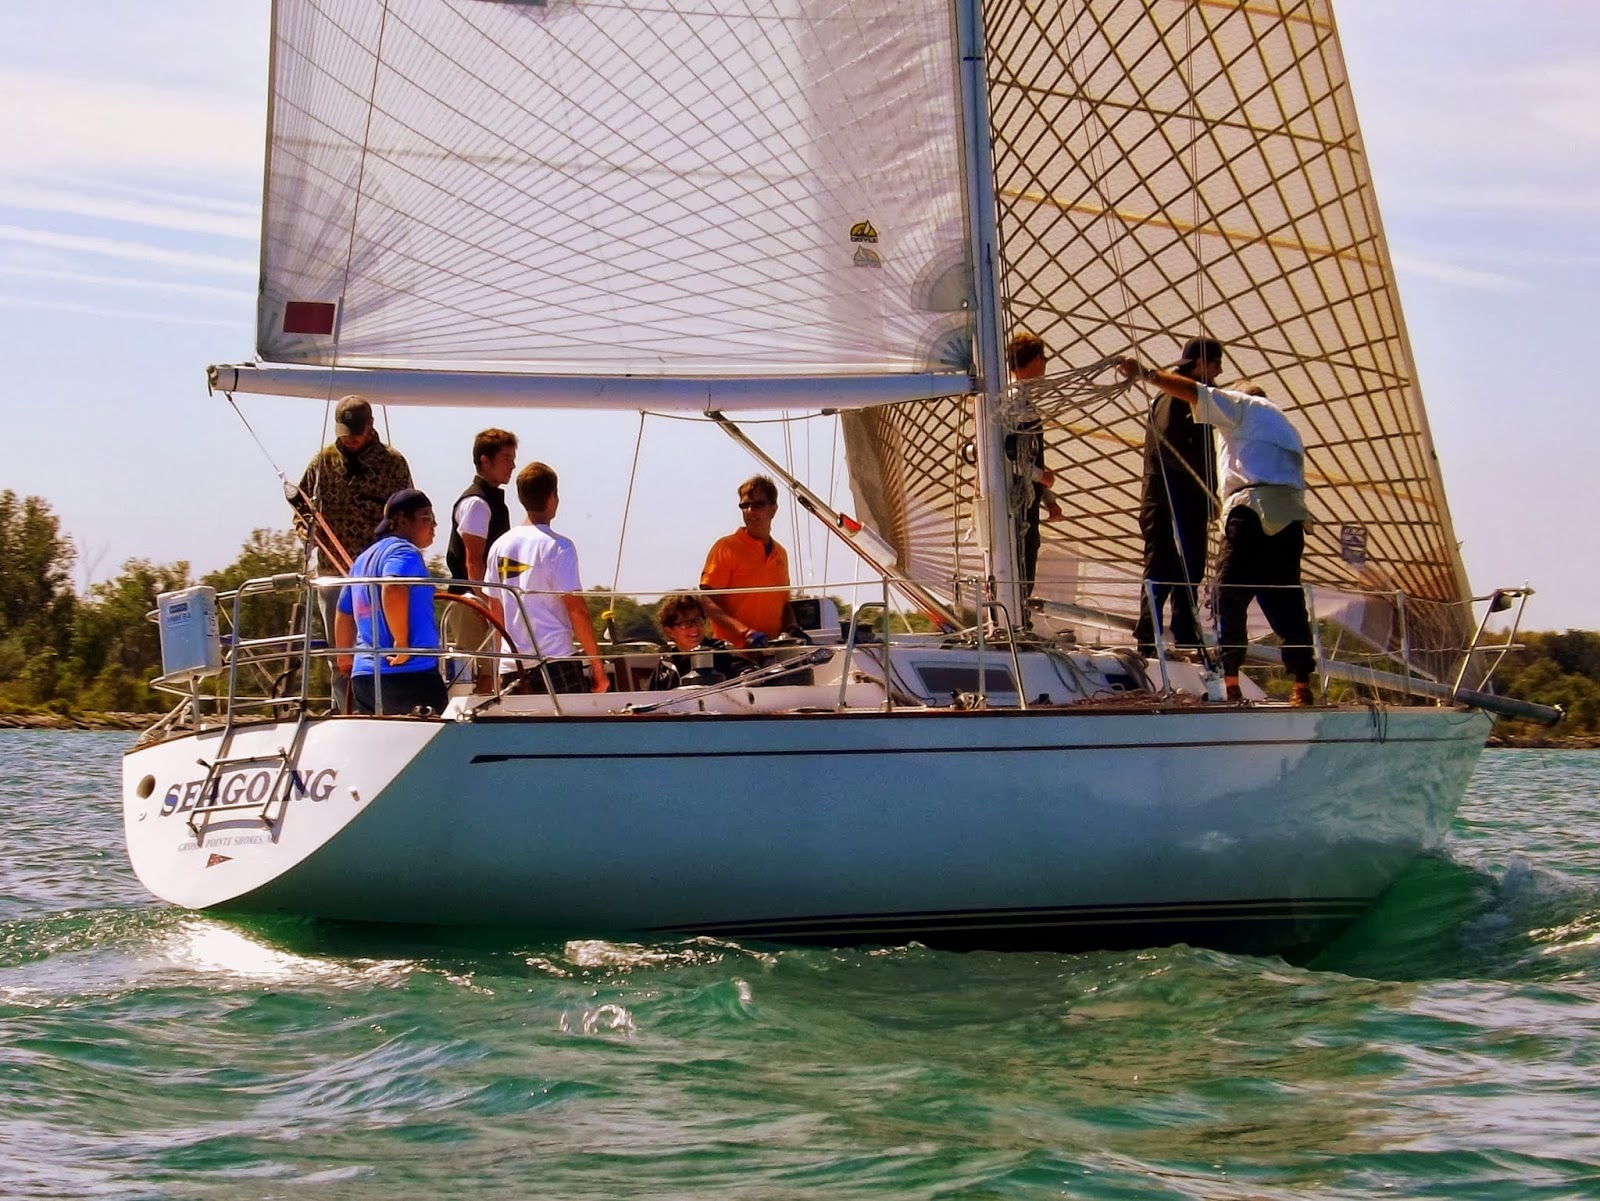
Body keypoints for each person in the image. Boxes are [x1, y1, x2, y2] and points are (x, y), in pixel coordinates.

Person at [1117, 358, 1316, 706]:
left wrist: (1146, 374)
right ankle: (1302, 686)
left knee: (1227, 596)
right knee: (1287, 602)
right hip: (1291, 520)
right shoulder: (1284, 423)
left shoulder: (1242, 405)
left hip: (1252, 512)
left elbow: (1194, 392)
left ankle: (1230, 683)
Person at [292, 394, 413, 711]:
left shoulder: (393, 464)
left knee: (384, 646)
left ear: (370, 426)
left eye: (357, 433)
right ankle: (346, 712)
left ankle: (387, 710)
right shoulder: (322, 462)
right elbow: (302, 510)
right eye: (345, 433)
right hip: (334, 576)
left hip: (377, 577)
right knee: (341, 657)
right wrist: (307, 531)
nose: (351, 440)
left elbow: (408, 514)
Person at [484, 462, 609, 695]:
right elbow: (576, 610)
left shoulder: (498, 547)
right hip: (556, 661)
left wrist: (497, 665)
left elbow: (495, 610)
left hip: (512, 665)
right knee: (569, 731)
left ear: (521, 498)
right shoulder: (560, 547)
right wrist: (597, 667)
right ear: (553, 497)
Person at [1133, 337, 1218, 657]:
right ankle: (1152, 636)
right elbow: (1173, 451)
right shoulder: (1183, 397)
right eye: (1215, 364)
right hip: (1174, 496)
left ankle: (1179, 634)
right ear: (1200, 365)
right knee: (1167, 566)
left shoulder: (1169, 396)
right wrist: (1207, 489)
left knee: (1182, 567)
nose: (1219, 371)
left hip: (1173, 496)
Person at [334, 488, 447, 716]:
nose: (434, 524)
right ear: (401, 521)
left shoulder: (362, 560)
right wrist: (402, 643)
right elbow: (393, 587)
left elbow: (344, 612)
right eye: (426, 517)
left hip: (364, 679)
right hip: (409, 674)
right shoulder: (404, 552)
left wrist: (345, 659)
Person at [441, 428, 518, 690]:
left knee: (492, 669)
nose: (513, 465)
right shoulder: (476, 503)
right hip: (472, 602)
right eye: (507, 459)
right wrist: (489, 605)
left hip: (480, 600)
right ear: (486, 460)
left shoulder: (490, 501)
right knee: (484, 672)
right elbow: (473, 562)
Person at [699, 475, 802, 649]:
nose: (749, 511)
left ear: (774, 509)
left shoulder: (781, 553)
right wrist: (745, 632)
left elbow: (784, 606)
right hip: (733, 653)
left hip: (773, 651)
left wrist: (793, 628)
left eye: (757, 505)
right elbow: (708, 601)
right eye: (744, 505)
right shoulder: (725, 547)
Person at [1005, 332, 1063, 596]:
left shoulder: (1019, 400)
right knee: (1021, 565)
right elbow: (1006, 456)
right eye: (1044, 358)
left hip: (1024, 503)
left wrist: (1048, 497)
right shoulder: (1013, 400)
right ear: (1036, 359)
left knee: (1025, 563)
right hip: (1015, 507)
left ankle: (1019, 617)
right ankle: (1016, 620)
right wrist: (1041, 478)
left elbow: (1028, 455)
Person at [650, 594, 740, 689]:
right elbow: (650, 698)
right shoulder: (666, 663)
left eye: (698, 620)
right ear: (669, 632)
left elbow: (748, 674)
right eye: (685, 623)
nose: (695, 627)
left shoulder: (721, 652)